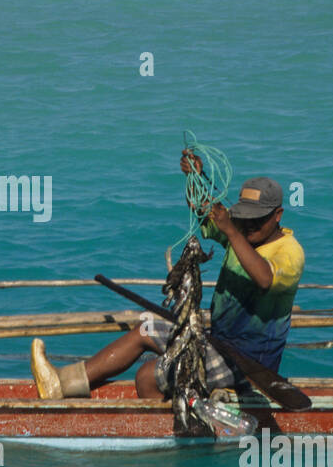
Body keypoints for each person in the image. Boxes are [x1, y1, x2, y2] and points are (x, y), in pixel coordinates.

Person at [31, 157, 304, 401]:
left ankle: (173, 437)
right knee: (145, 329)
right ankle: (62, 384)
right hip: (216, 343)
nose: (250, 225)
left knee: (147, 375)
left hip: (249, 364)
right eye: (245, 217)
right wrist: (195, 178)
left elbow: (265, 278)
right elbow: (206, 212)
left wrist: (233, 232)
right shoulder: (242, 233)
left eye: (258, 219)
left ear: (277, 215)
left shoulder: (289, 252)